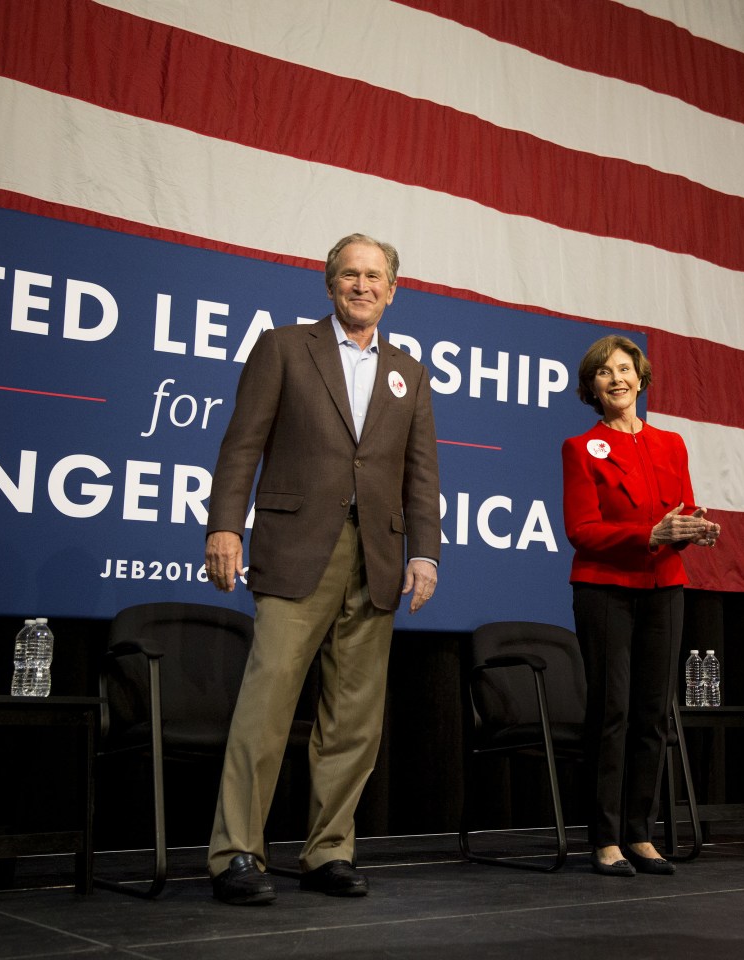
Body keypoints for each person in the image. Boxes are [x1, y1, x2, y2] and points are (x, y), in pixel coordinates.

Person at [203, 233, 442, 905]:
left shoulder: (410, 373)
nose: (362, 286)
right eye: (349, 274)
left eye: (374, 276)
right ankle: (237, 854)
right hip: (294, 549)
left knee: (354, 718)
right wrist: (225, 525)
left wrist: (424, 552)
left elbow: (421, 476)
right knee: (266, 705)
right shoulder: (283, 348)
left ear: (393, 290)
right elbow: (241, 443)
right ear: (329, 283)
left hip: (378, 557)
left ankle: (329, 850)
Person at [560, 334, 720, 877]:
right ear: (592, 389)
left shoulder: (671, 443)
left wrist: (694, 527)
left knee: (653, 714)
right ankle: (605, 838)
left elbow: (681, 507)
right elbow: (581, 531)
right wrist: (648, 533)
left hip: (665, 587)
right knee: (613, 712)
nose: (617, 379)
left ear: (641, 377)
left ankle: (640, 834)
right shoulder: (581, 448)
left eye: (624, 369)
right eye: (604, 373)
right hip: (604, 588)